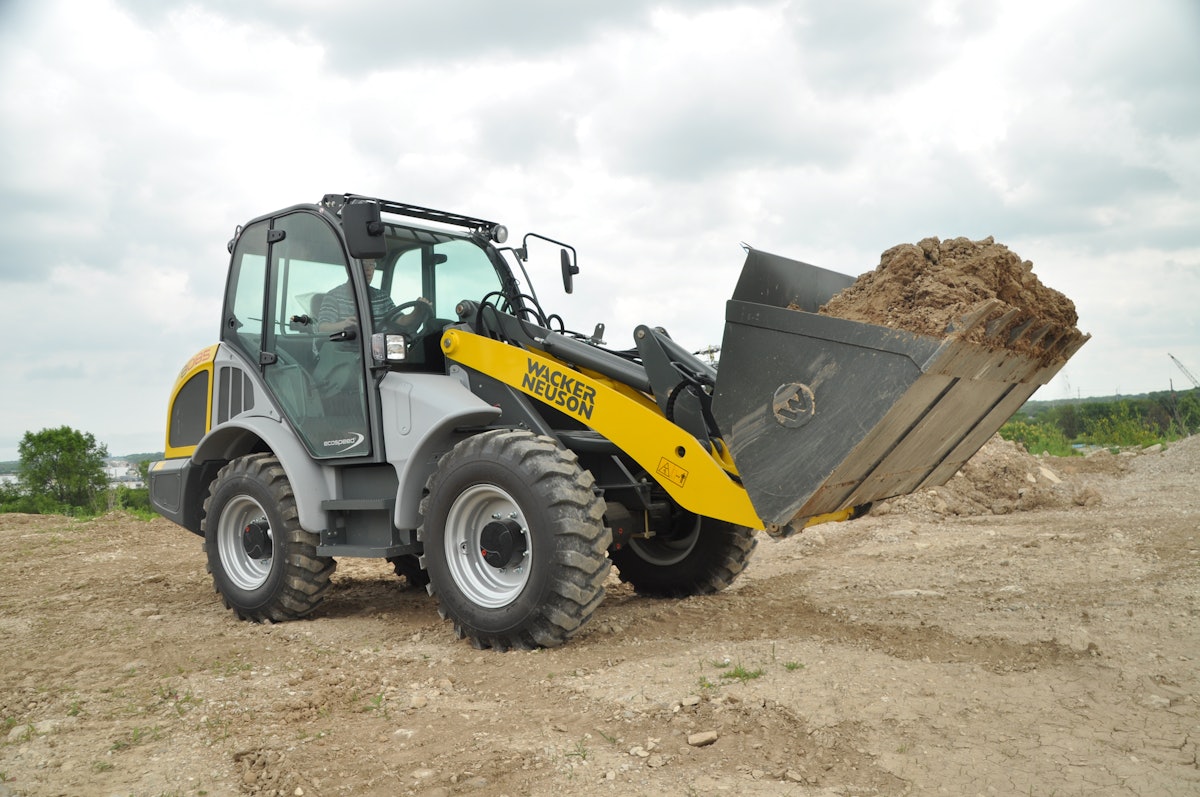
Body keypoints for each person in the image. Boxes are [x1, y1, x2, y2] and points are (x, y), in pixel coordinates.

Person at [317, 259, 428, 334]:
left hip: (380, 355)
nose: (368, 269)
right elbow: (322, 328)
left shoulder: (382, 297)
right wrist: (344, 325)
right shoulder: (334, 296)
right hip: (345, 356)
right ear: (349, 268)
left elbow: (400, 321)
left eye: (372, 265)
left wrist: (417, 312)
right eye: (364, 264)